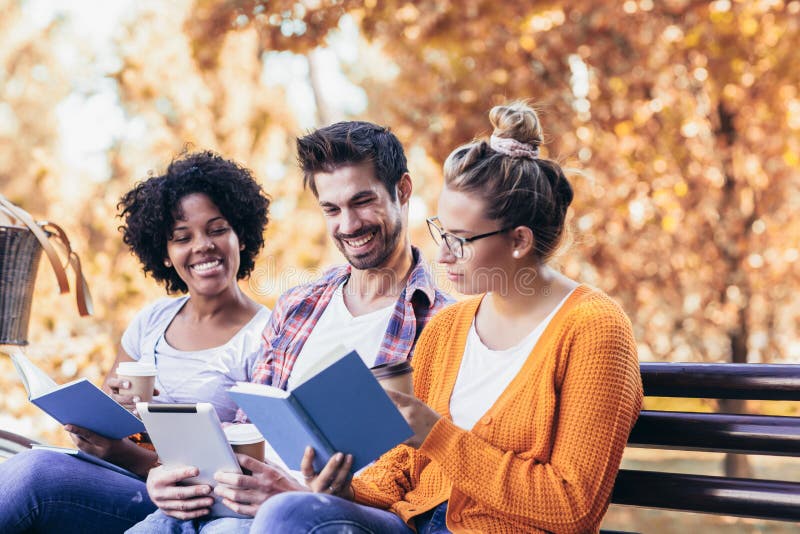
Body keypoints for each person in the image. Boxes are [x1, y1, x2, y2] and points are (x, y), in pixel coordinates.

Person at [250, 102, 644, 533]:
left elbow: (573, 507)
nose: (441, 255)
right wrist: (343, 490)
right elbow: (404, 468)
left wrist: (437, 434)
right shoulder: (448, 330)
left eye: (460, 240)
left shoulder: (593, 330)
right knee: (286, 512)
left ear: (518, 241)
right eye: (441, 232)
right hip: (415, 525)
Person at [129, 121, 451, 533]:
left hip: (344, 510)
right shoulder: (300, 304)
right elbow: (246, 422)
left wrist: (301, 493)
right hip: (246, 498)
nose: (348, 225)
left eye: (362, 201)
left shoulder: (442, 322)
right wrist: (166, 471)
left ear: (403, 191)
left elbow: (429, 473)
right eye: (332, 210)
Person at [0, 150, 272, 534]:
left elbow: (244, 467)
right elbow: (112, 427)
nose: (202, 246)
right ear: (164, 254)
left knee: (35, 475)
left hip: (192, 500)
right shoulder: (152, 321)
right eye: (182, 237)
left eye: (217, 229)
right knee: (32, 464)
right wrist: (108, 418)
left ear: (240, 234)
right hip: (126, 479)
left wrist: (128, 455)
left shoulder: (268, 336)